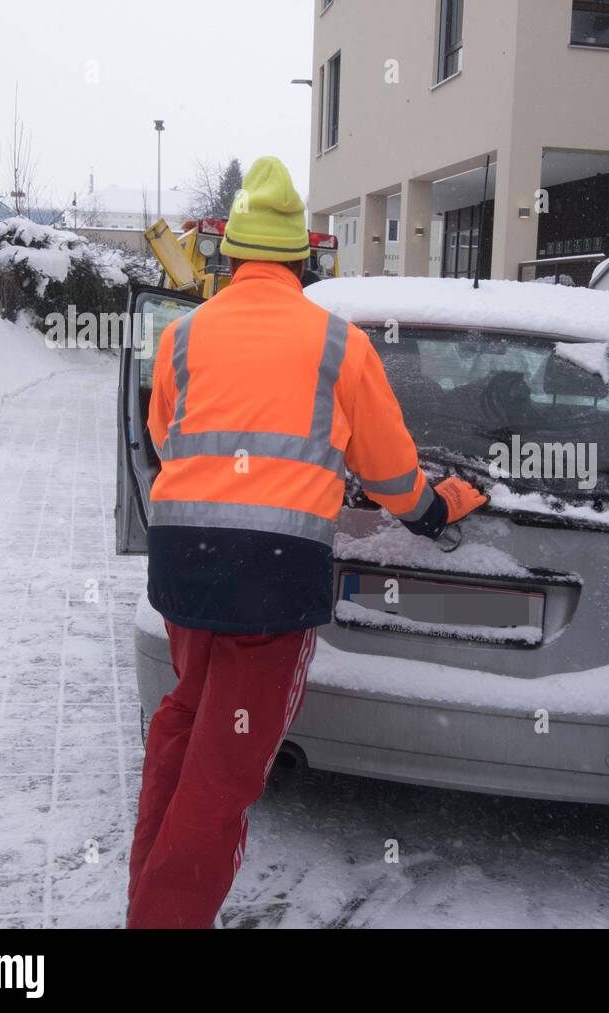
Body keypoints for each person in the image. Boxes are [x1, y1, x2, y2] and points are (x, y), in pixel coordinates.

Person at [127, 156, 487, 928]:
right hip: (273, 577)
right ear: (302, 261)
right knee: (223, 772)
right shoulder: (338, 345)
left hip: (183, 563)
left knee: (185, 723)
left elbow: (167, 439)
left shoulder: (184, 336)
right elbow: (391, 476)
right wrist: (437, 508)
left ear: (230, 258)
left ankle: (147, 901)